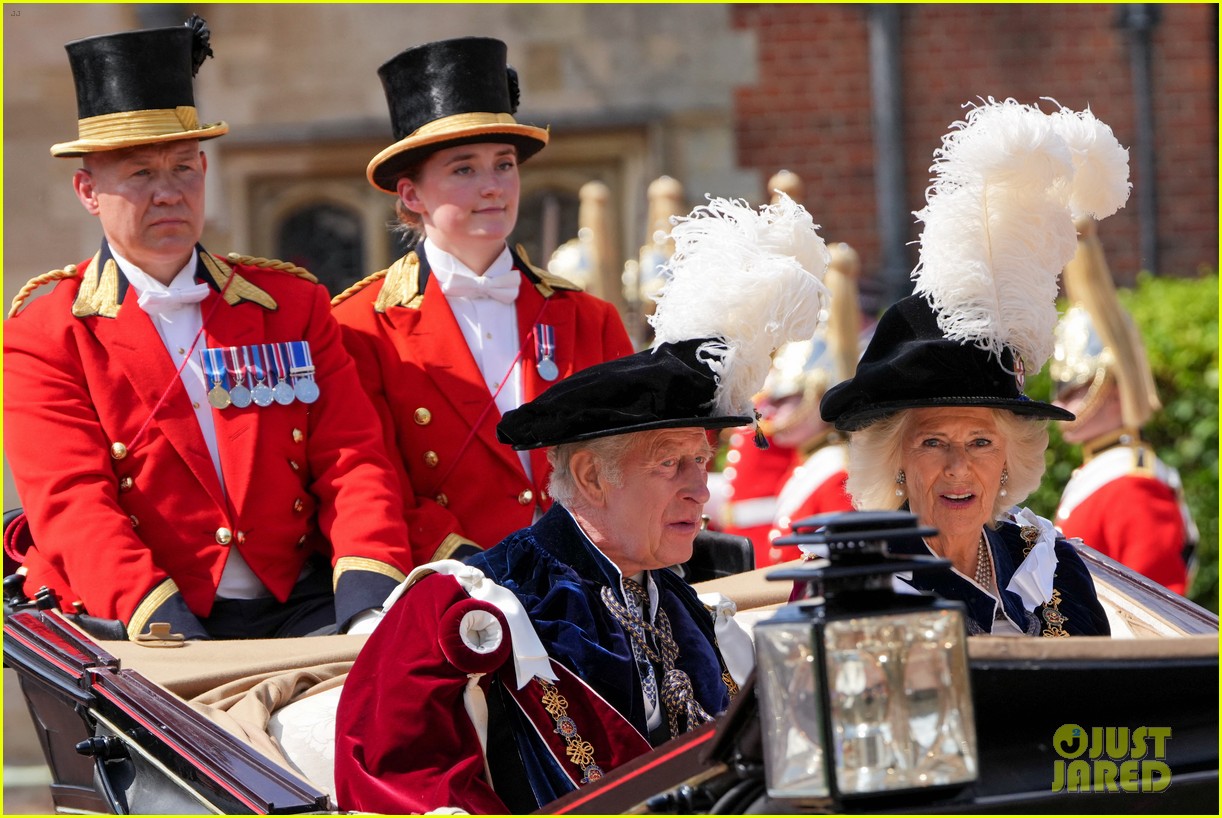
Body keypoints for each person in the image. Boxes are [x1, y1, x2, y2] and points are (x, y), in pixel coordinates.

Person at [334, 194, 832, 813]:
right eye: (670, 463)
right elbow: (400, 788)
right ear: (592, 477)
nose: (699, 489)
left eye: (700, 462)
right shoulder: (463, 606)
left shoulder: (677, 602)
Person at [3, 18, 412, 640]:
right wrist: (168, 630)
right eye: (140, 174)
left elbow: (353, 459)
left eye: (184, 168)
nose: (169, 193)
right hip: (149, 615)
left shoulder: (289, 304)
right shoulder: (46, 332)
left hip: (306, 606)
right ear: (88, 190)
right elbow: (73, 502)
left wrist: (368, 603)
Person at [818, 99, 1127, 637]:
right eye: (933, 442)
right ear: (896, 459)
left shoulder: (1046, 562)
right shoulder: (857, 582)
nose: (959, 467)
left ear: (1009, 456)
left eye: (981, 442)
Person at [332, 37, 634, 567]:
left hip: (589, 577)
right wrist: (481, 572)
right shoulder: (358, 325)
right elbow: (372, 480)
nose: (494, 187)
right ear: (411, 195)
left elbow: (630, 461)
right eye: (464, 169)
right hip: (453, 581)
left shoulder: (590, 318)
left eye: (504, 164)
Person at [1051, 218, 1196, 594]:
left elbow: (1155, 604)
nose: (1059, 402)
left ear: (1115, 391)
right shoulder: (1099, 472)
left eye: (1077, 388)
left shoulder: (1134, 485)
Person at [756, 242, 868, 566]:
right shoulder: (807, 460)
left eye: (787, 399)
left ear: (822, 396)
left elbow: (840, 567)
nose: (772, 412)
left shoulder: (838, 474)